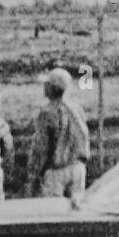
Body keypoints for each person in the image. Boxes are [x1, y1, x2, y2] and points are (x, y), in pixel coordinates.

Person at [28, 68, 90, 210]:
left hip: (55, 170)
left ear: (52, 88)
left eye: (47, 84)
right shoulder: (76, 109)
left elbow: (41, 146)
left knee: (53, 211)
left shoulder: (46, 112)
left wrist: (35, 172)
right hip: (77, 166)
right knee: (76, 209)